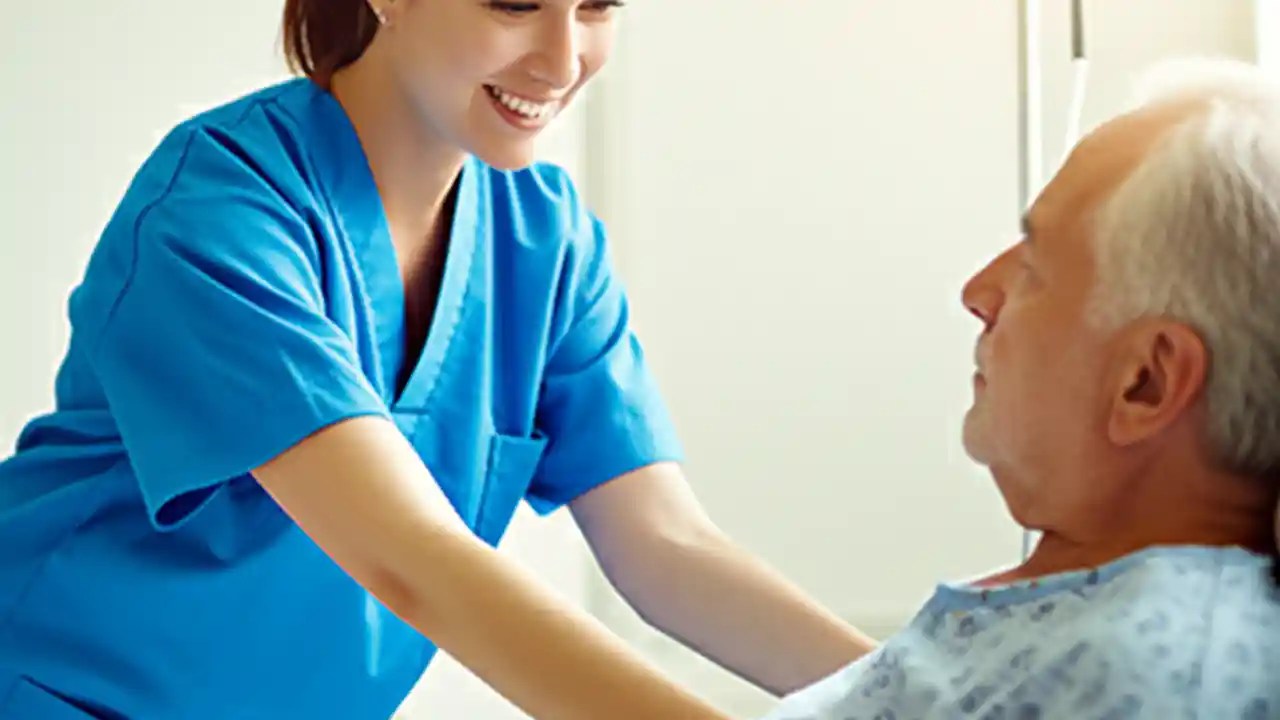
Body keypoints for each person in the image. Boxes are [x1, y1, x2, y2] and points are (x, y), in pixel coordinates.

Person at [0, 1, 877, 718]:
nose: (562, 61)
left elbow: (667, 547)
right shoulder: (220, 208)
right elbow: (413, 560)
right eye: (515, 6)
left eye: (597, 7)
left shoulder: (544, 239)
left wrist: (929, 693)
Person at [761, 57, 1280, 720]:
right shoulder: (1076, 632)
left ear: (1144, 384)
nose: (977, 292)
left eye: (1033, 266)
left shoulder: (1156, 678)